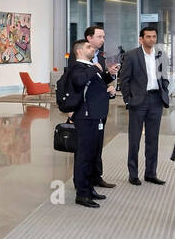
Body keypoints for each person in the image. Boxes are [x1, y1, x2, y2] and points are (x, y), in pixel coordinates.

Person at [119, 25, 169, 185]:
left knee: (153, 139)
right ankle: (133, 174)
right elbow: (124, 80)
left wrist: (165, 90)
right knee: (134, 139)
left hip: (156, 100)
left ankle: (151, 173)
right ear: (141, 39)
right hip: (138, 101)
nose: (152, 39)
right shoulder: (131, 55)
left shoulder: (160, 55)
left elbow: (163, 76)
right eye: (148, 37)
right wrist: (128, 99)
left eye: (154, 36)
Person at [68, 39, 113, 208]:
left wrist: (108, 80)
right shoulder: (77, 67)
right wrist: (95, 69)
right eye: (88, 46)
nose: (92, 48)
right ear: (79, 51)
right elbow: (79, 82)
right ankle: (82, 194)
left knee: (92, 154)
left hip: (95, 116)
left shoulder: (89, 67)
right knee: (84, 157)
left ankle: (89, 188)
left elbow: (95, 87)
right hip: (85, 118)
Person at [83, 24, 119, 191]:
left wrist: (109, 76)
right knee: (86, 147)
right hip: (87, 109)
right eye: (99, 37)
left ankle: (97, 177)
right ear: (89, 38)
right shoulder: (81, 55)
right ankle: (84, 181)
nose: (102, 40)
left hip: (100, 107)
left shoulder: (101, 58)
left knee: (98, 144)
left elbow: (99, 81)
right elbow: (80, 82)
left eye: (103, 37)